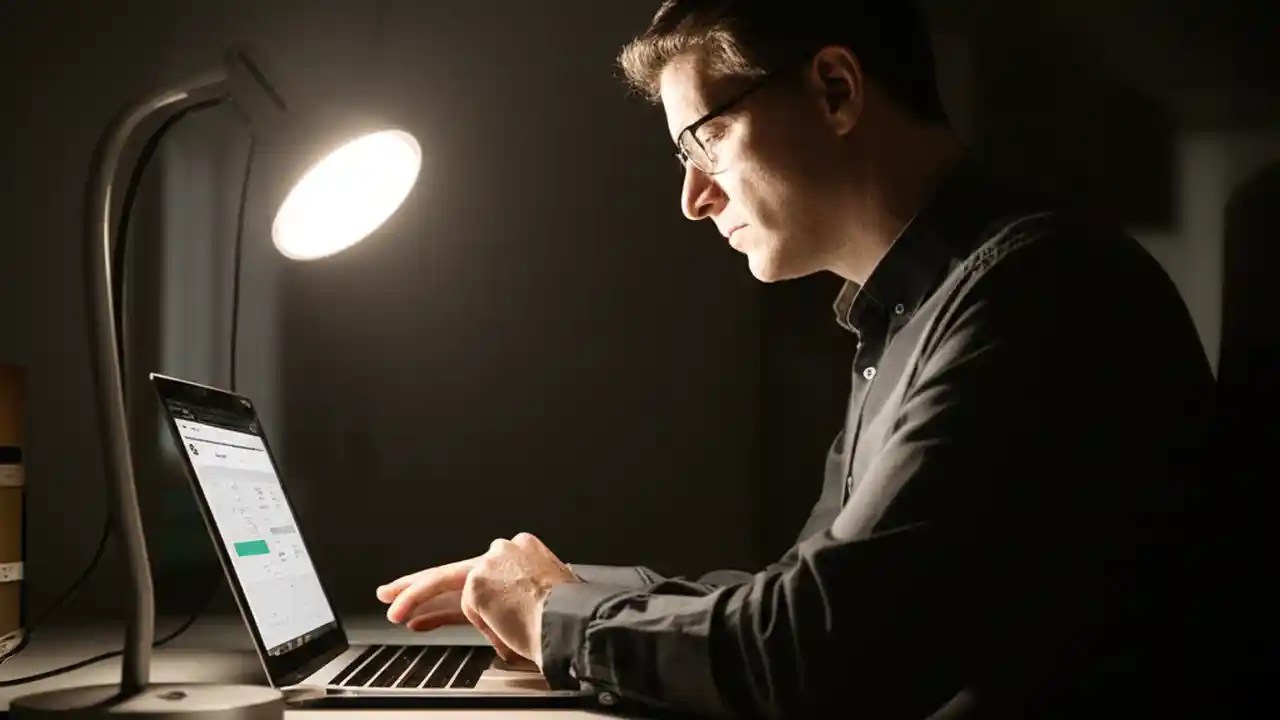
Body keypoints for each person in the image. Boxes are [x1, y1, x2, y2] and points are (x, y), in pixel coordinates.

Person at [377, 1, 1218, 716]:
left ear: (836, 90)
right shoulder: (916, 316)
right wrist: (560, 591)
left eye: (704, 143)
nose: (693, 199)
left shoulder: (1037, 295)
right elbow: (808, 597)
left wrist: (558, 616)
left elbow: (820, 652)